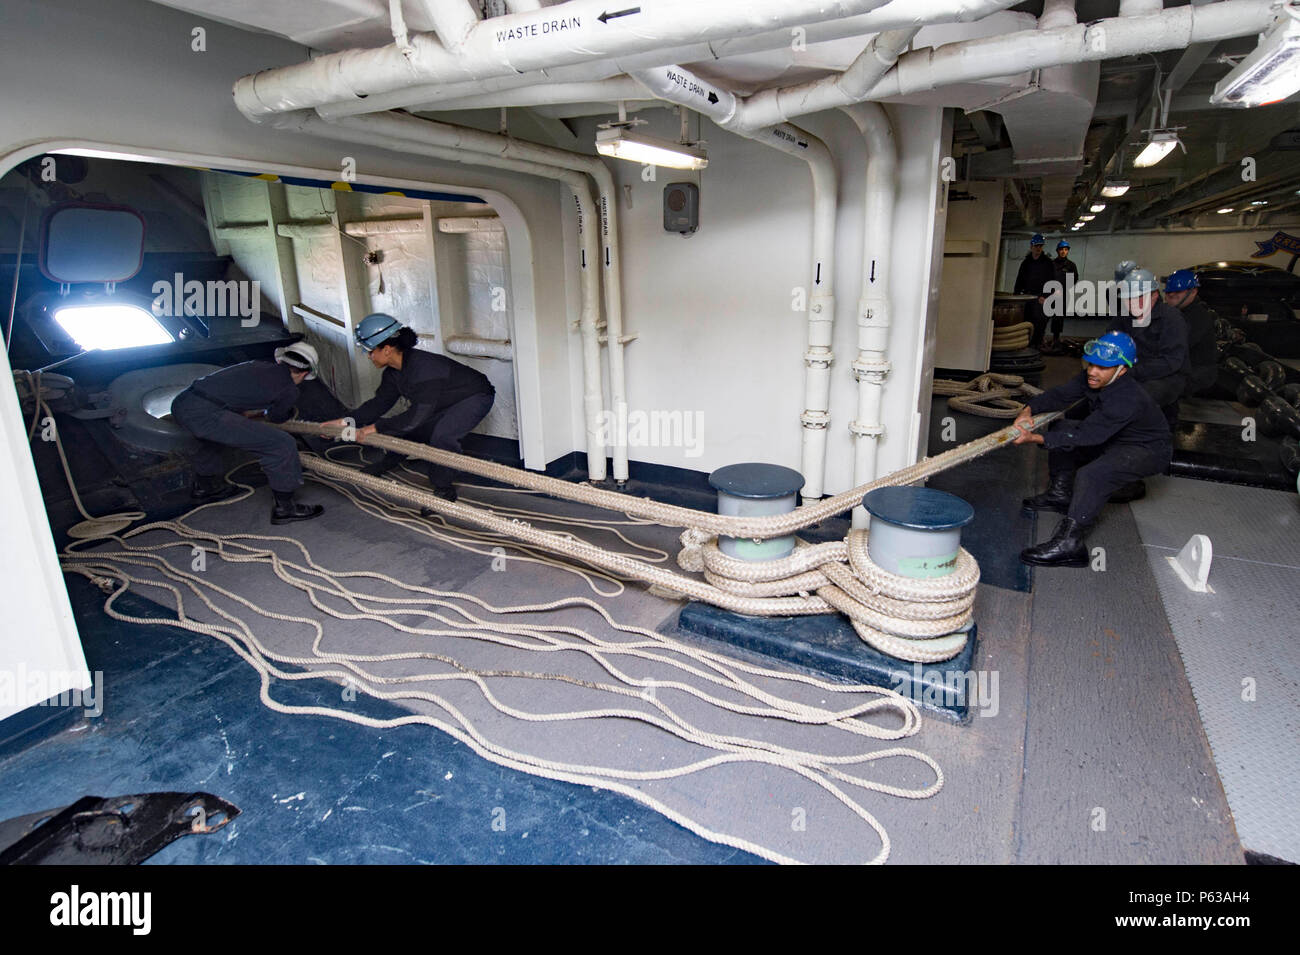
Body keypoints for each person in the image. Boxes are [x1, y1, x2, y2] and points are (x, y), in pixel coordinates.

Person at [1014, 332, 1172, 567]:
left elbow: (1086, 436)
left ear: (1122, 370)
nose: (1092, 371)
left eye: (1102, 367)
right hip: (1115, 436)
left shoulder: (1126, 398)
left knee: (1094, 474)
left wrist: (1034, 437)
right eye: (1091, 364)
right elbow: (1061, 395)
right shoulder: (1093, 378)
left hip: (1146, 449)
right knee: (1062, 425)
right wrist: (1028, 410)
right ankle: (1060, 494)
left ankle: (1070, 546)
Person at [328, 313, 495, 502]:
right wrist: (344, 422)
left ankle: (443, 490)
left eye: (370, 350)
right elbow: (378, 404)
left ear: (387, 349)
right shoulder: (393, 374)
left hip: (475, 396)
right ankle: (386, 464)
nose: (368, 356)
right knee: (408, 430)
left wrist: (376, 427)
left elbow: (416, 417)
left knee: (442, 437)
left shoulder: (424, 369)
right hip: (443, 400)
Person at [171, 342, 325, 524]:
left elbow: (235, 392)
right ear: (304, 373)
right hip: (205, 414)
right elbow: (276, 417)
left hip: (183, 402)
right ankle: (286, 508)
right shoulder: (289, 389)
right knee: (281, 444)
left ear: (282, 361)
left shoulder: (255, 365)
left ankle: (205, 487)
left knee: (213, 437)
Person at [1106, 267, 1190, 420]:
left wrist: (1129, 373)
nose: (1133, 303)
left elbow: (1170, 362)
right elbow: (1109, 342)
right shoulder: (1124, 317)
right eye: (1128, 298)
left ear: (1154, 296)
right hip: (1131, 370)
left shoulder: (1171, 319)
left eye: (1140, 297)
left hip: (1165, 375)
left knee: (1133, 398)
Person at [1161, 269, 1219, 398]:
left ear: (1193, 292)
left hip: (1196, 372)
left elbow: (1176, 346)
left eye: (1177, 292)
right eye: (1169, 293)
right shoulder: (1171, 313)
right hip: (1179, 366)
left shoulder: (1198, 317)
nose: (1171, 296)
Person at [1013, 234, 1056, 350]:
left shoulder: (1047, 263)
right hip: (1027, 297)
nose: (1038, 248)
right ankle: (1026, 345)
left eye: (1040, 246)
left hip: (1041, 298)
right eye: (1036, 246)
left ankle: (1036, 347)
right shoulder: (1026, 263)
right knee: (1026, 321)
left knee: (1039, 323)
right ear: (1031, 246)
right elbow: (1020, 279)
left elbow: (1052, 281)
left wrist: (1045, 296)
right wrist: (1016, 296)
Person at [1043, 239, 1079, 353]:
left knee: (1058, 318)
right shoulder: (1051, 264)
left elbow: (1074, 279)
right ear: (1057, 251)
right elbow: (1046, 277)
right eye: (1061, 249)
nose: (1063, 251)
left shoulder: (1071, 265)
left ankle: (1056, 339)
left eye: (1065, 249)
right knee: (1044, 317)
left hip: (1062, 295)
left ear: (1067, 251)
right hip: (1049, 294)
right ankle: (1040, 338)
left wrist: (1062, 290)